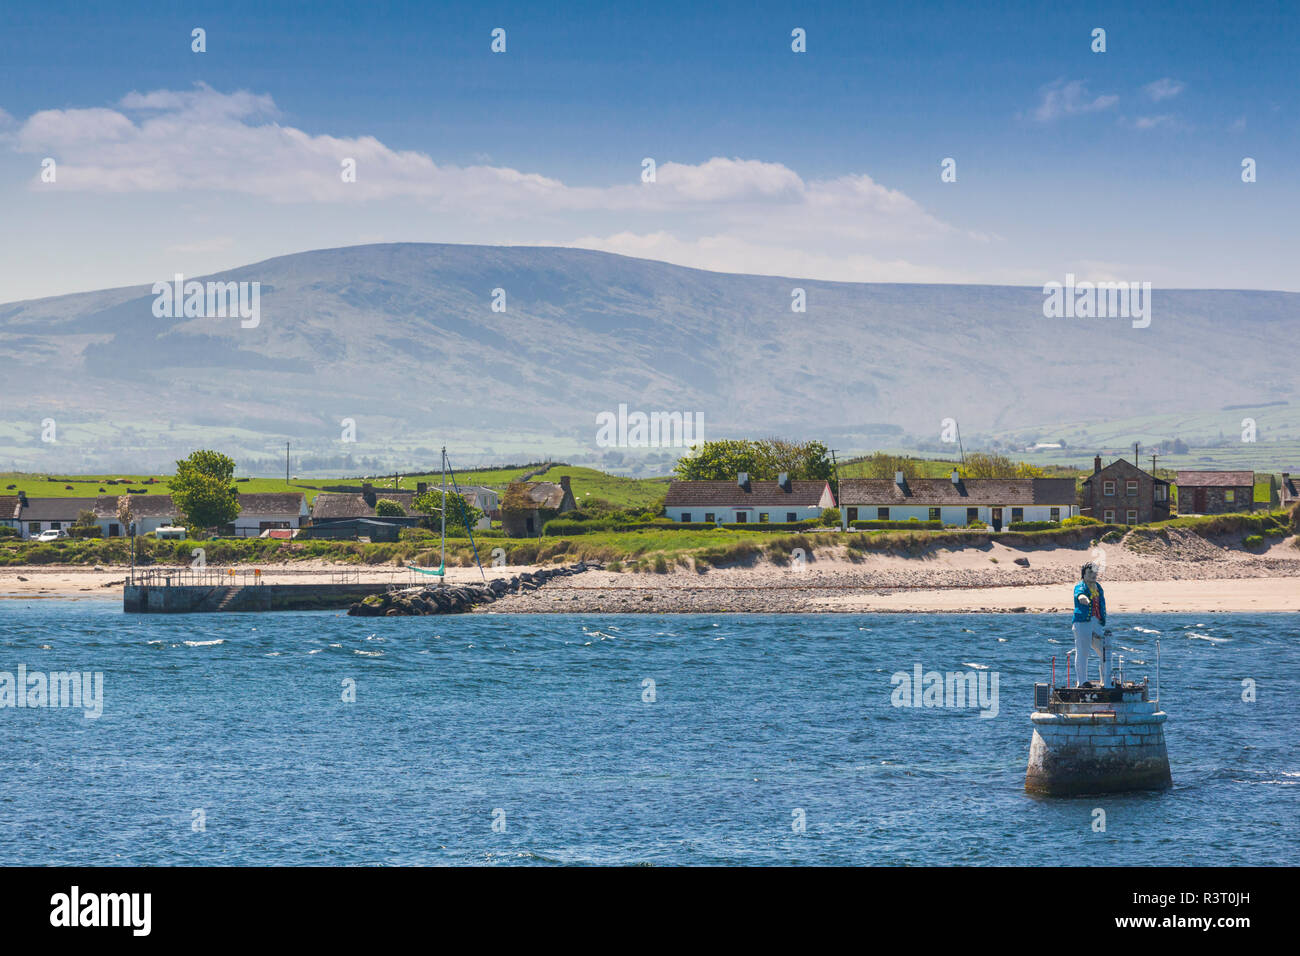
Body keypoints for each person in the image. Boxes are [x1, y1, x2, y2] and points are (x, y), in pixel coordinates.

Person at [1072, 562, 1111, 686]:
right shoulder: (1081, 586)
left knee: (1104, 650)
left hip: (1096, 622)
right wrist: (1082, 598)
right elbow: (1079, 594)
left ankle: (1105, 679)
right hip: (1083, 622)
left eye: (1095, 572)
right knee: (1083, 651)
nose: (1093, 575)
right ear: (1084, 574)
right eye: (1090, 572)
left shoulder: (1098, 587)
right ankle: (1082, 681)